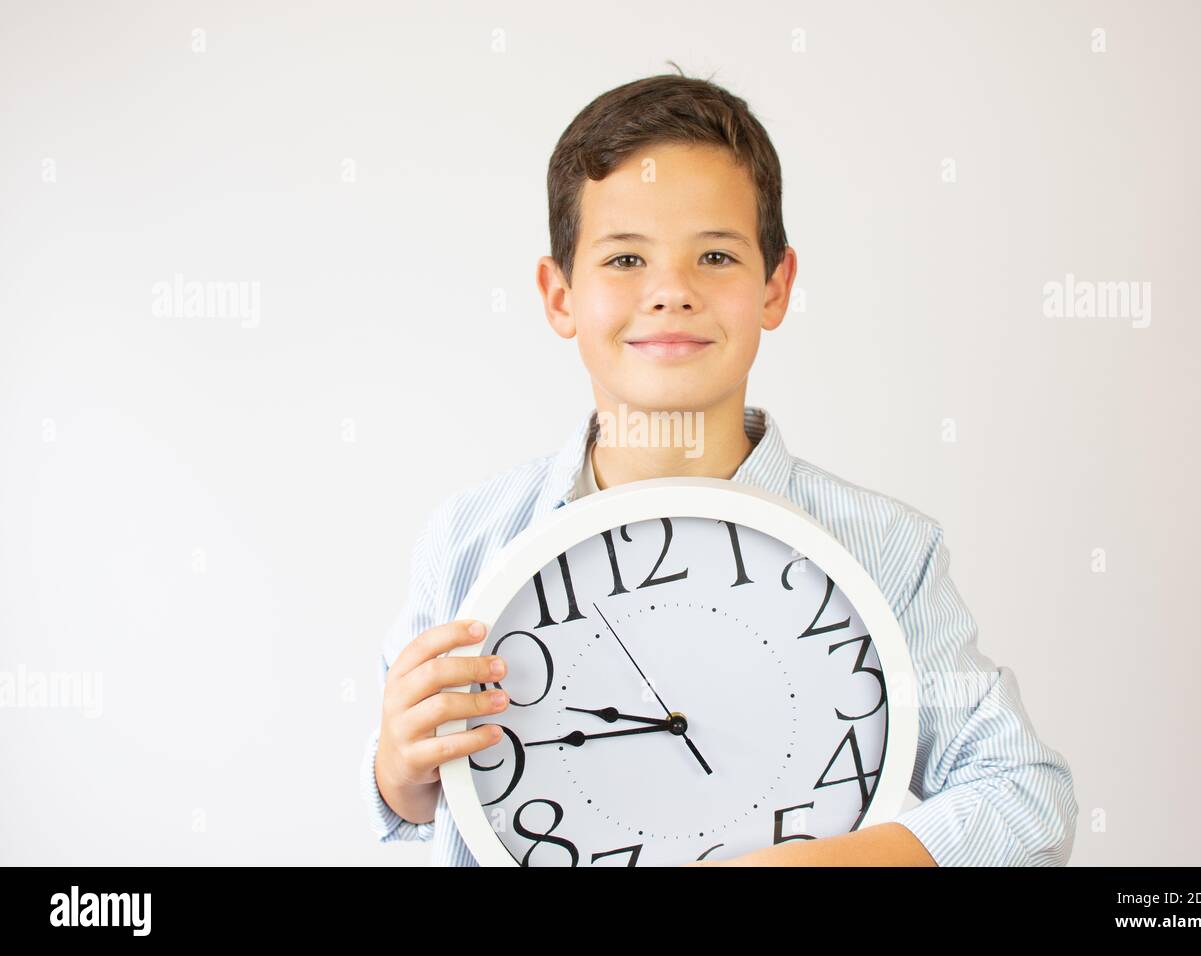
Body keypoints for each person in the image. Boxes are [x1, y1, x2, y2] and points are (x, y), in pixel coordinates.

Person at [360, 67, 1078, 867]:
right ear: (559, 295)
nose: (671, 292)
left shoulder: (885, 551)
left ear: (775, 287)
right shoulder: (468, 539)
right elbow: (405, 796)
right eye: (626, 260)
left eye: (714, 256)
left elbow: (1025, 797)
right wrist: (400, 772)